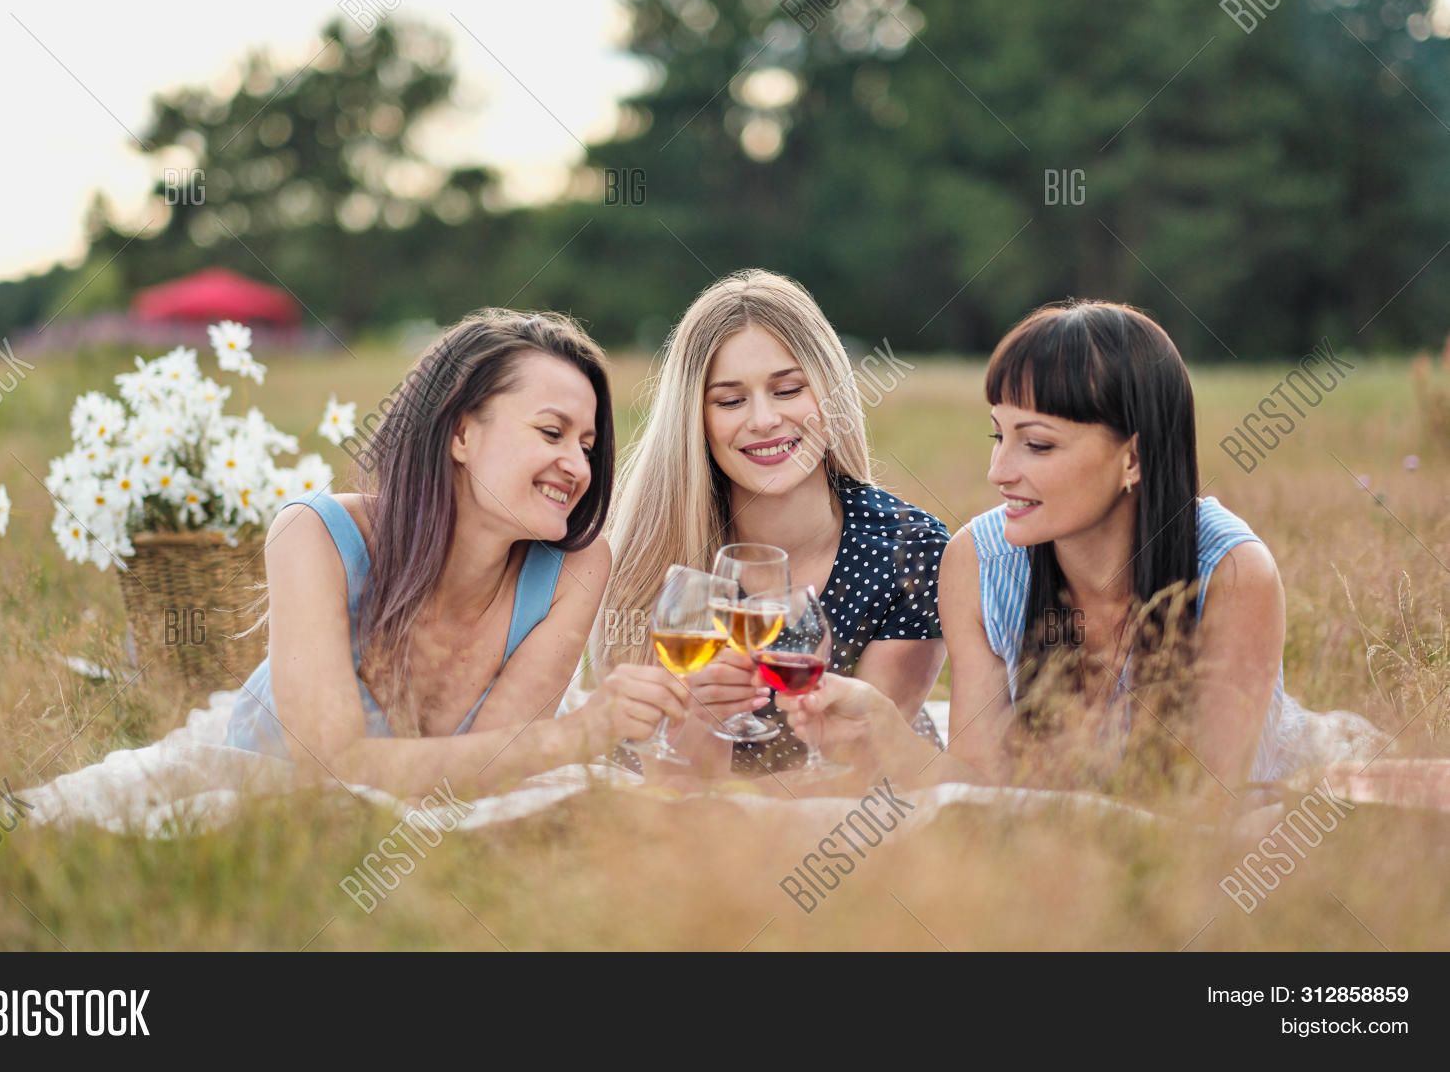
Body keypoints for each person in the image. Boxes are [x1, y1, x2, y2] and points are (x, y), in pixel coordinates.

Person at [779, 300, 1386, 806]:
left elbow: (1197, 811)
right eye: (998, 435)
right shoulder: (978, 562)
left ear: (1134, 458)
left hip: (1268, 789)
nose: (998, 471)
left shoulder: (1230, 572)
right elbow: (979, 789)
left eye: (1037, 445)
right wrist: (886, 734)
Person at [224, 310, 693, 799]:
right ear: (461, 434)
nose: (578, 466)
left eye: (588, 446)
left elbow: (483, 780)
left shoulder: (576, 569)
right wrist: (578, 734)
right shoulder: (314, 534)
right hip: (268, 828)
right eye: (552, 433)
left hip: (435, 850)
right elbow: (335, 766)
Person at [591, 270, 950, 777]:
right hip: (686, 819)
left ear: (831, 396)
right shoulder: (655, 551)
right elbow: (671, 792)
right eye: (731, 401)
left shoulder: (912, 551)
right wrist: (704, 716)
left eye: (787, 390)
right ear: (696, 419)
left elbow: (858, 775)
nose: (763, 420)